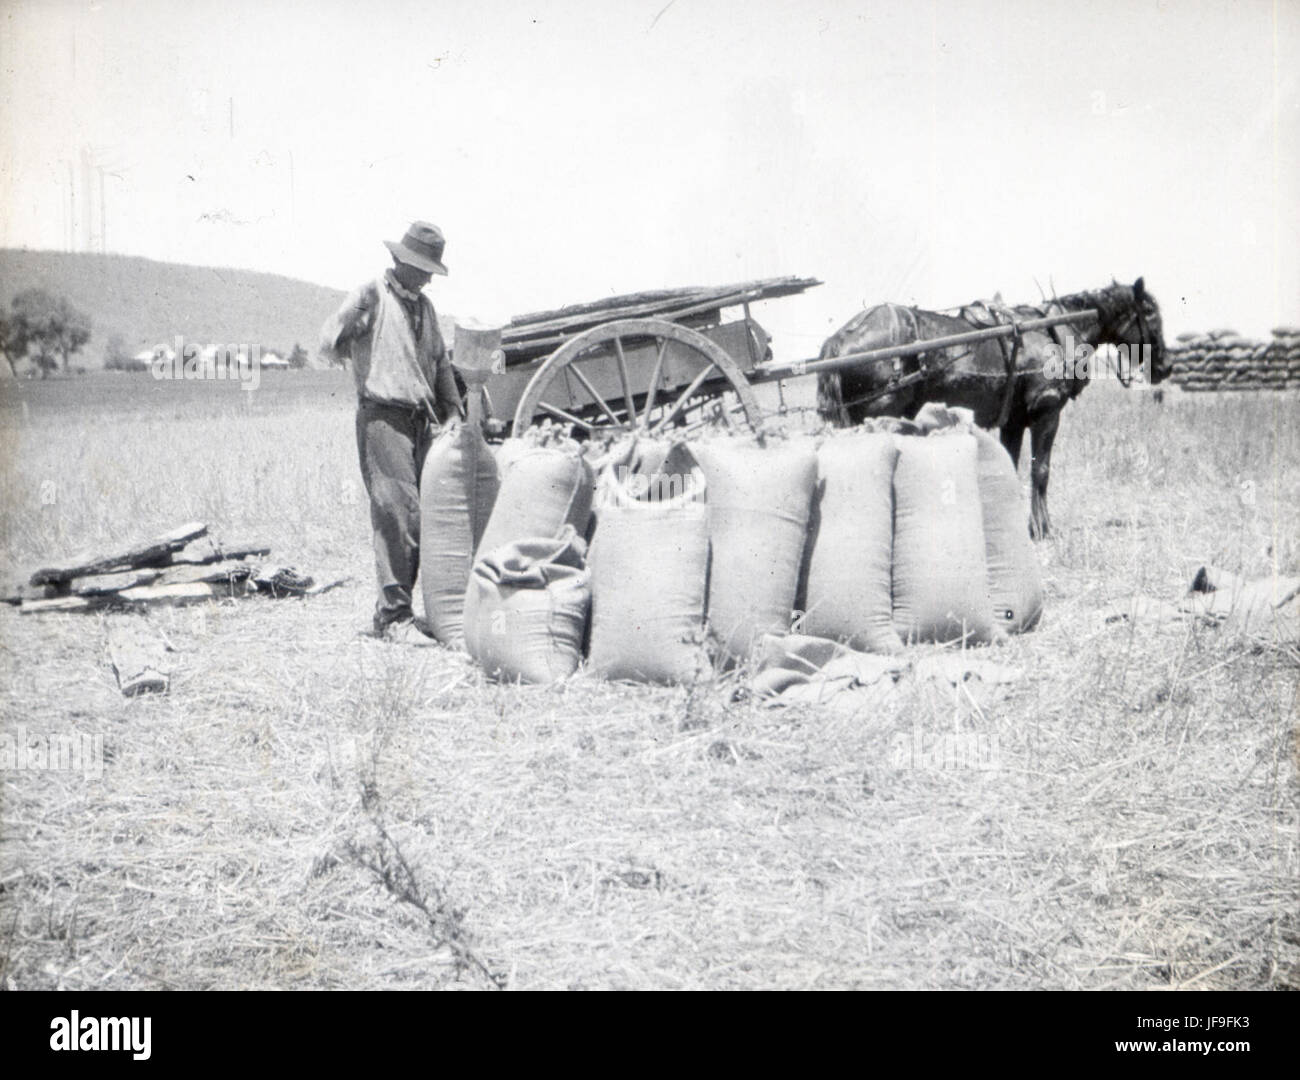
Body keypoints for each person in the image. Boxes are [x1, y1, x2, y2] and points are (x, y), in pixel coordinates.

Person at [319, 221, 464, 644]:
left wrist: (453, 407)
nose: (424, 277)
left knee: (420, 517)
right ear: (399, 260)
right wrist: (357, 354)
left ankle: (397, 612)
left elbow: (438, 363)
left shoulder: (426, 309)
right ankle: (395, 618)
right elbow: (329, 340)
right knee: (396, 514)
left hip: (422, 420)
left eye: (429, 270)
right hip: (383, 417)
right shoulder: (370, 295)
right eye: (419, 267)